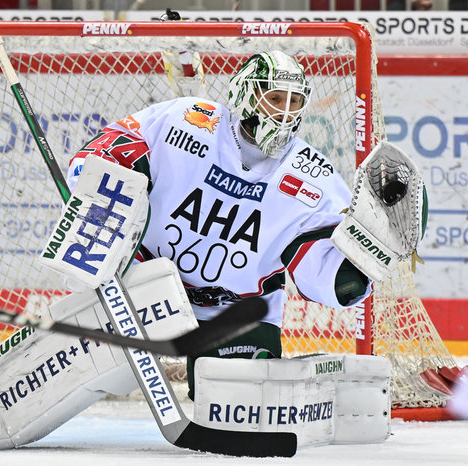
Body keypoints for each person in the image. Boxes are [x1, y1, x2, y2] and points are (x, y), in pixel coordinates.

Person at [66, 50, 378, 397]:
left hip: (235, 311)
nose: (285, 112)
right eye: (275, 98)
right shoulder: (185, 120)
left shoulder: (314, 176)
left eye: (294, 102)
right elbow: (105, 153)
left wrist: (368, 261)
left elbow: (329, 278)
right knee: (78, 382)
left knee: (236, 409)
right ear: (245, 93)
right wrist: (94, 200)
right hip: (142, 285)